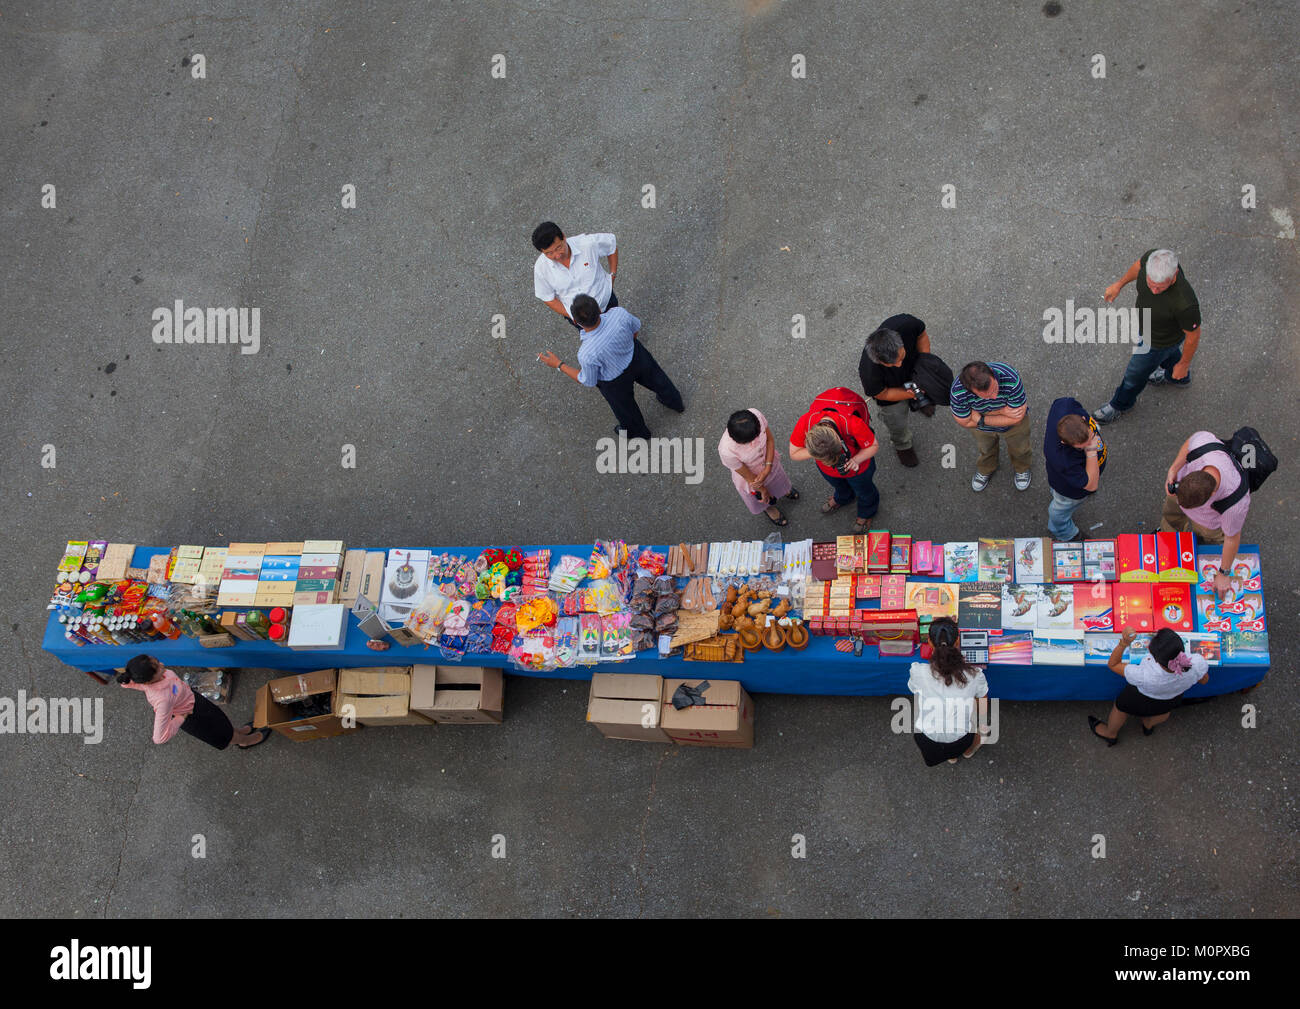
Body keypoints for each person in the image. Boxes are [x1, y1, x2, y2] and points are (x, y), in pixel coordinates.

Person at [536, 294, 683, 440]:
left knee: (626, 410)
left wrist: (558, 364)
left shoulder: (586, 353)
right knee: (658, 379)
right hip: (636, 356)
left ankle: (639, 433)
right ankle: (675, 402)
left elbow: (588, 380)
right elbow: (635, 329)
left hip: (614, 383)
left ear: (576, 322)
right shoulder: (619, 314)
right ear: (599, 309)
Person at [1093, 248, 1201, 423]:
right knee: (1169, 356)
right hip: (1151, 328)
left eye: (1160, 287)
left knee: (1134, 375)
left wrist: (1184, 363)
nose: (1154, 291)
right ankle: (1179, 378)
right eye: (1151, 284)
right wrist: (1119, 285)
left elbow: (1193, 337)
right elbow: (1138, 265)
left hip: (1158, 342)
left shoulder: (1185, 303)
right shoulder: (1154, 260)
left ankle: (1121, 404)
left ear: (1174, 275)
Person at [1160, 431, 1251, 597]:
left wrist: (1223, 574)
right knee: (1171, 515)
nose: (1181, 505)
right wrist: (1174, 469)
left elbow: (1232, 537)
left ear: (1211, 496)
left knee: (1208, 539)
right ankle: (1168, 537)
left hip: (1208, 523)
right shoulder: (1203, 448)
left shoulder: (1235, 504)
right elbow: (1189, 443)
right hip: (1188, 498)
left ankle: (1198, 547)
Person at [118, 654, 269, 750]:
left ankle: (238, 732)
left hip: (194, 700)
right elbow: (158, 738)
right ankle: (244, 741)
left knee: (222, 721)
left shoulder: (151, 679)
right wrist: (179, 719)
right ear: (149, 680)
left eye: (156, 661)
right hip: (194, 717)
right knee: (223, 733)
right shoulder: (162, 700)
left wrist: (129, 683)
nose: (162, 665)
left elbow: (128, 683)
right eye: (157, 668)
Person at [1089, 626, 1209, 745]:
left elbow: (1113, 665)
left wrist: (1124, 643)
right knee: (1162, 713)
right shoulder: (1195, 664)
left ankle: (1110, 734)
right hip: (1170, 699)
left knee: (1120, 707)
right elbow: (1204, 680)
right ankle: (1148, 725)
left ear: (1156, 658)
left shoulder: (1145, 675)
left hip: (1140, 697)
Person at [788, 386, 880, 530]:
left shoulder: (852, 423)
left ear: (839, 440)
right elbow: (793, 453)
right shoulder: (806, 420)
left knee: (865, 491)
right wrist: (816, 452)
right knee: (838, 485)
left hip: (859, 469)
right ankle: (843, 497)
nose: (837, 462)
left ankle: (867, 512)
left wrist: (856, 460)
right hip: (828, 471)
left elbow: (873, 446)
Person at [908, 618, 990, 766]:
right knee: (975, 736)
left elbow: (914, 689)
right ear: (957, 641)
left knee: (945, 752)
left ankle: (951, 758)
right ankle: (967, 752)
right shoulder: (975, 675)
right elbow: (982, 699)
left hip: (927, 740)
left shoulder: (918, 671)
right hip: (962, 739)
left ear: (929, 642)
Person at [857, 314, 933, 468]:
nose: (899, 365)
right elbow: (883, 394)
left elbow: (922, 335)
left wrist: (925, 362)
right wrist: (910, 393)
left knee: (925, 391)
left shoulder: (907, 324)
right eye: (891, 364)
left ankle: (920, 401)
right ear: (878, 361)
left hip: (915, 372)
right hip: (890, 393)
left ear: (900, 342)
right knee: (896, 420)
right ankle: (903, 445)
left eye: (901, 357)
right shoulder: (868, 372)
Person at [949, 361, 1032, 492]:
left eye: (995, 389)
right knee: (986, 450)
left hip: (1002, 426)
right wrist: (1002, 411)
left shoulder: (1010, 377)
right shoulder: (958, 392)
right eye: (986, 396)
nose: (994, 397)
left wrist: (981, 418)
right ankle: (986, 469)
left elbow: (1017, 419)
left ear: (993, 374)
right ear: (970, 390)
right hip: (982, 428)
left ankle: (1022, 468)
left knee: (1021, 449)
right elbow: (964, 422)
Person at [718, 409, 800, 527]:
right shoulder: (726, 451)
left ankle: (783, 491)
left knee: (779, 480)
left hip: (770, 462)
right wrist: (763, 490)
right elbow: (749, 477)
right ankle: (769, 508)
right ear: (739, 441)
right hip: (752, 478)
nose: (757, 440)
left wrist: (767, 468)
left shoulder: (755, 415)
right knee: (763, 498)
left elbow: (770, 440)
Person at [532, 222, 620, 330]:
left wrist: (613, 274)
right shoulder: (541, 269)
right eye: (549, 253)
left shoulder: (587, 244)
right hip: (582, 320)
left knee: (624, 331)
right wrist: (570, 314)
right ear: (542, 252)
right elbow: (547, 297)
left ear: (564, 237)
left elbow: (611, 244)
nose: (557, 255)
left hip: (607, 303)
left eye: (558, 247)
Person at [1043, 397, 1107, 541]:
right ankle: (1066, 533)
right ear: (1064, 442)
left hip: (1079, 475)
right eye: (1082, 446)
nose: (1092, 443)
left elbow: (1063, 401)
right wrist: (1091, 451)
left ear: (1082, 418)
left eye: (1091, 437)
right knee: (1058, 513)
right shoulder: (1062, 459)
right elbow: (1091, 485)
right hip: (1069, 491)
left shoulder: (1065, 406)